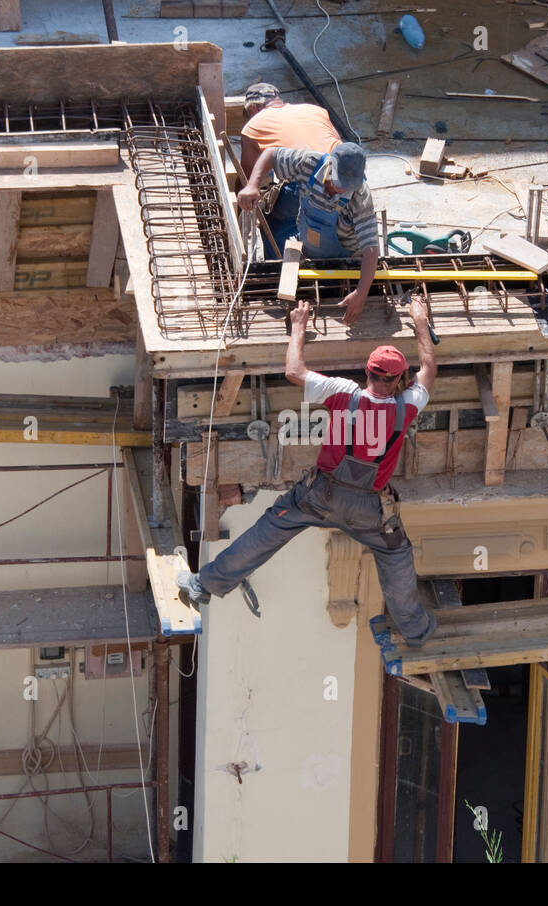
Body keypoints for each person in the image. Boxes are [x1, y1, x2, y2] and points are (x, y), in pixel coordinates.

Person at [178, 296, 439, 645]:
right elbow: (429, 368)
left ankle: (204, 585)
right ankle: (416, 630)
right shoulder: (406, 406)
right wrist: (420, 321)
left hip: (318, 496)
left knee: (270, 529)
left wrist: (299, 324)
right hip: (369, 510)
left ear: (367, 372)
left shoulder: (344, 393)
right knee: (395, 554)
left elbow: (294, 371)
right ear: (397, 380)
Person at [238, 142, 379, 325]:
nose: (344, 189)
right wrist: (252, 184)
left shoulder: (360, 196)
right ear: (330, 165)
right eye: (341, 182)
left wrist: (360, 294)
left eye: (349, 185)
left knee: (334, 302)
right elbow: (271, 155)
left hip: (344, 260)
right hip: (307, 248)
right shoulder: (309, 163)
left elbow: (371, 248)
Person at [237, 82, 342, 258]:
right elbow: (339, 148)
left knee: (274, 220)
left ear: (253, 108)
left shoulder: (254, 123)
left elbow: (247, 180)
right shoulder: (316, 110)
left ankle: (279, 268)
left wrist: (243, 204)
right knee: (330, 224)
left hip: (304, 186)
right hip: (341, 180)